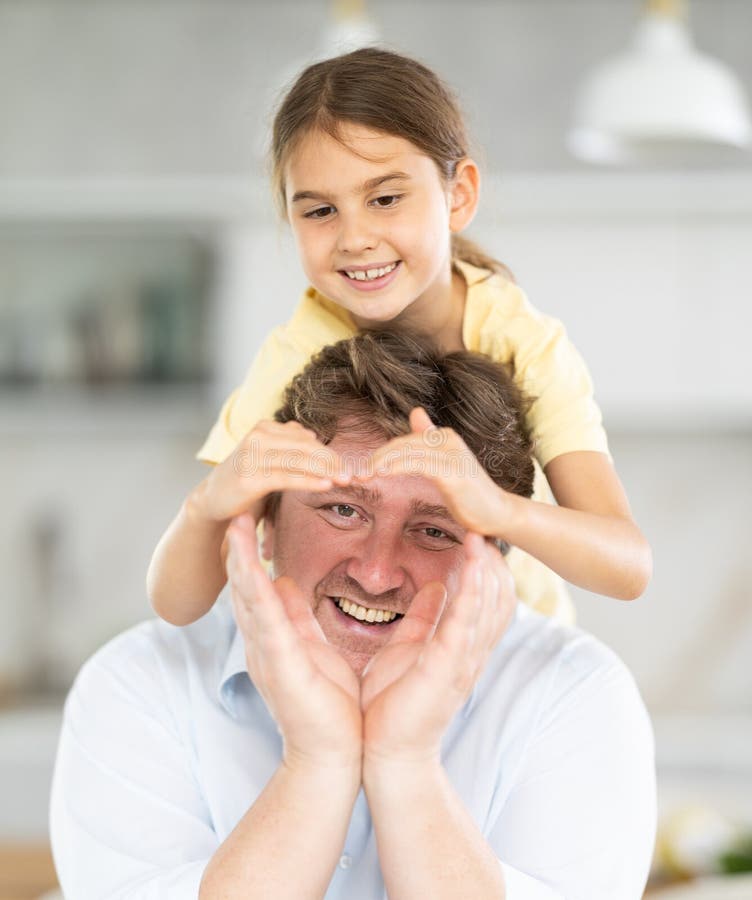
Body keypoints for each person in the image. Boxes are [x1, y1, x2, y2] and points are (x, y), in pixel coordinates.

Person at [51, 332, 656, 899]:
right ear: (264, 522)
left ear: (494, 559)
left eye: (433, 529)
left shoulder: (575, 694)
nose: (376, 571)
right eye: (343, 510)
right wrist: (317, 761)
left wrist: (406, 761)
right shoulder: (137, 684)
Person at [146, 46, 652, 629]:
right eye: (319, 212)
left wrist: (495, 508)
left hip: (507, 646)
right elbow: (177, 603)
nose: (354, 238)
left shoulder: (527, 345)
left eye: (385, 199)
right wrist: (210, 501)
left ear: (458, 195)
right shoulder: (292, 355)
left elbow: (628, 566)